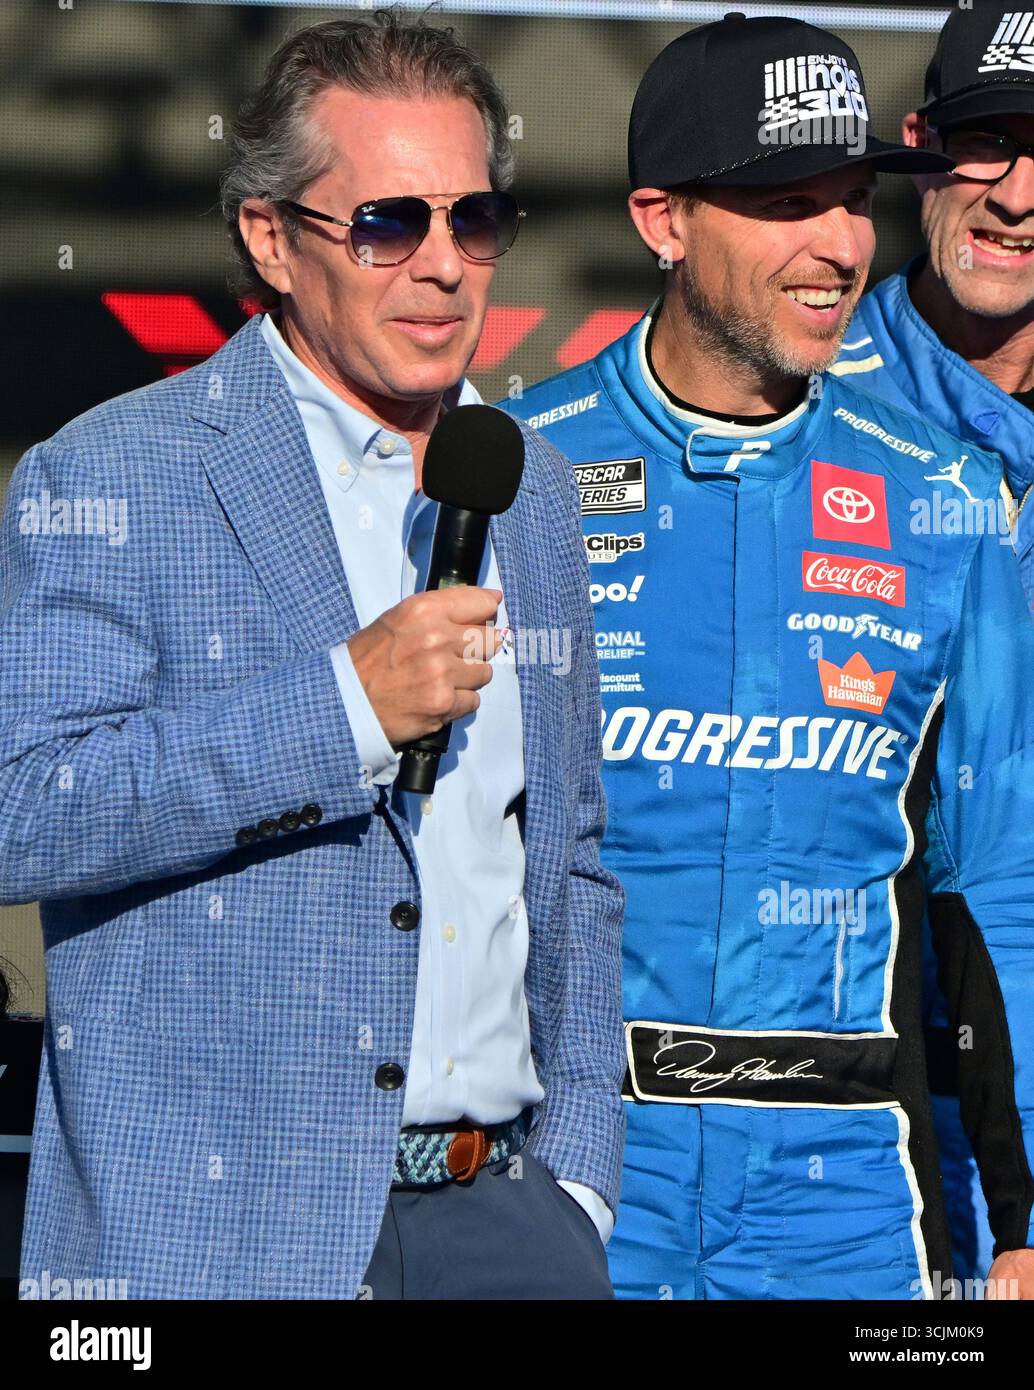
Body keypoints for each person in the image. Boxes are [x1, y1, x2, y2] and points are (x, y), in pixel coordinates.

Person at [0, 14, 624, 1300]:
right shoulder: (114, 474)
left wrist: (577, 1188)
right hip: (209, 1244)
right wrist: (343, 706)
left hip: (501, 1225)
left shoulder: (537, 492)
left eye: (476, 220)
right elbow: (23, 810)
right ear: (272, 241)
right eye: (390, 222)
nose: (444, 265)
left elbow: (566, 854)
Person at [499, 14, 1034, 1299]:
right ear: (661, 221)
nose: (838, 246)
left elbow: (996, 886)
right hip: (568, 1155)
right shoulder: (519, 466)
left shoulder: (947, 498)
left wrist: (1020, 1216)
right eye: (786, 203)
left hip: (840, 1181)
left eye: (850, 203)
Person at [832, 3, 1034, 1284]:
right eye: (982, 144)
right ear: (916, 149)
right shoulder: (801, 392)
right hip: (873, 1135)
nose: (1015, 196)